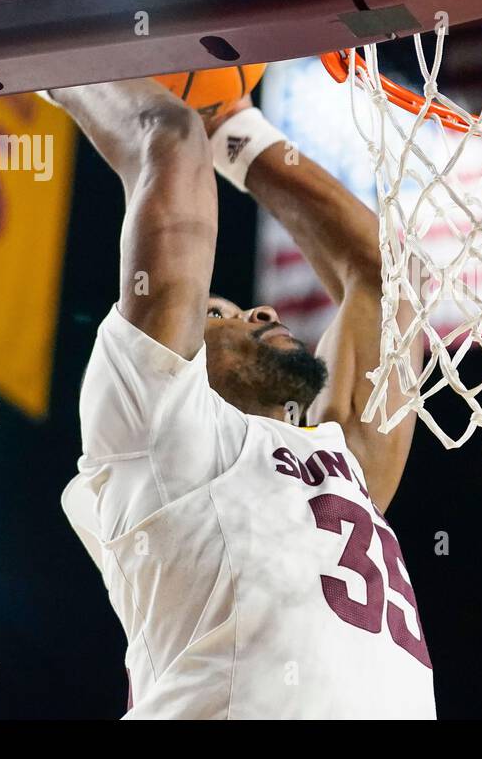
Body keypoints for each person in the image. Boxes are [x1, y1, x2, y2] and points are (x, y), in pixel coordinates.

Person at [52, 78, 432, 718]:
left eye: (225, 309)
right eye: (219, 311)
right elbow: (166, 136)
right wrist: (58, 62)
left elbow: (387, 277)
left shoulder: (338, 466)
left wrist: (238, 134)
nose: (259, 309)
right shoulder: (161, 428)